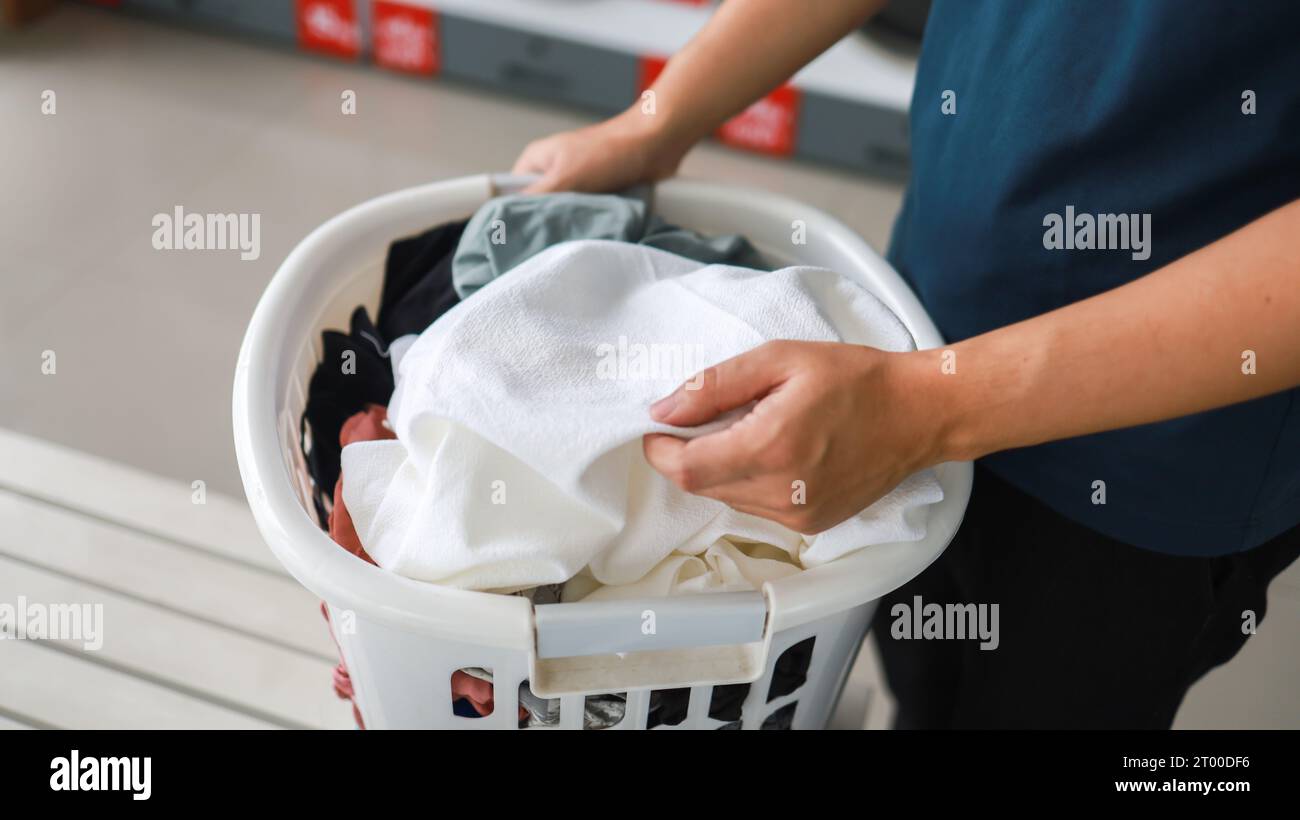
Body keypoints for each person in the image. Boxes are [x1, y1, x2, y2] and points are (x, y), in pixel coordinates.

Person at [512, 0, 1300, 728]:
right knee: (922, 668)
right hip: (923, 316)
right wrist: (656, 122)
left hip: (1156, 444)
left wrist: (925, 409)